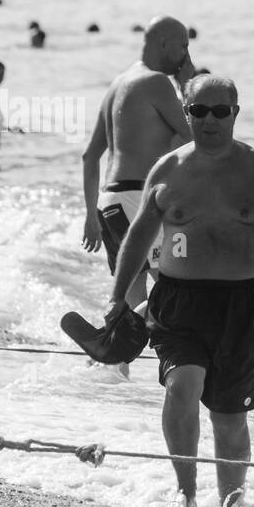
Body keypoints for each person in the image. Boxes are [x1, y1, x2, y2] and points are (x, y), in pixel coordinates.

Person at [106, 74, 254, 507]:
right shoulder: (168, 170)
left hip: (245, 303)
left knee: (228, 414)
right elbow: (138, 239)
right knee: (182, 385)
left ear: (235, 113)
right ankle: (185, 492)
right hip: (180, 300)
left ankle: (233, 503)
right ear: (186, 113)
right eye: (199, 110)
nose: (210, 119)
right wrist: (117, 297)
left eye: (220, 111)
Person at [81, 16, 195, 313]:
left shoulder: (117, 84)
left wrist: (90, 216)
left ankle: (112, 351)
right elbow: (196, 137)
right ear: (163, 43)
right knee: (176, 287)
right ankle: (182, 355)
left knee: (133, 295)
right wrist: (187, 86)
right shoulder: (156, 82)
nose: (186, 55)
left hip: (109, 203)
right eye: (183, 45)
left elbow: (90, 156)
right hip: (137, 199)